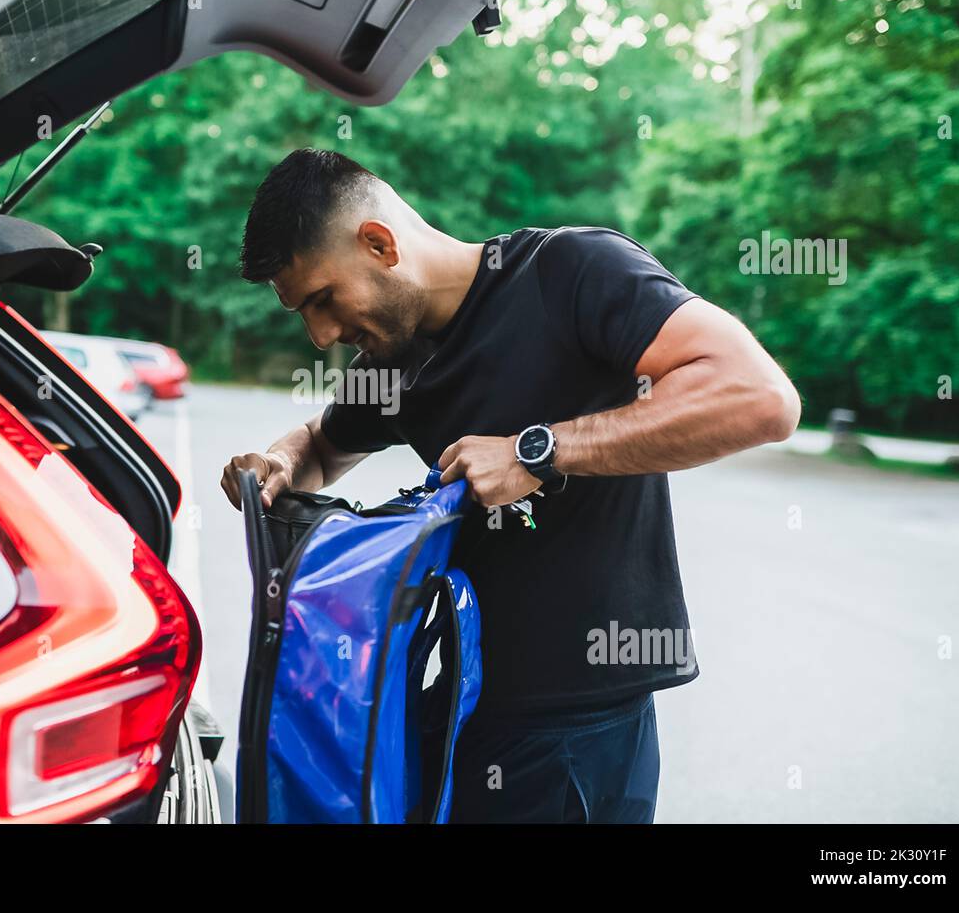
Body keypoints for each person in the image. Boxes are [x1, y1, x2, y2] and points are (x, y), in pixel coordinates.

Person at [220, 148, 801, 822]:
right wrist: (280, 463)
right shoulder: (396, 353)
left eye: (323, 299)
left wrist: (539, 451)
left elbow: (759, 398)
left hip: (579, 731)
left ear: (379, 243)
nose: (321, 335)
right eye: (303, 314)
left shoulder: (571, 271)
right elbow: (321, 445)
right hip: (458, 707)